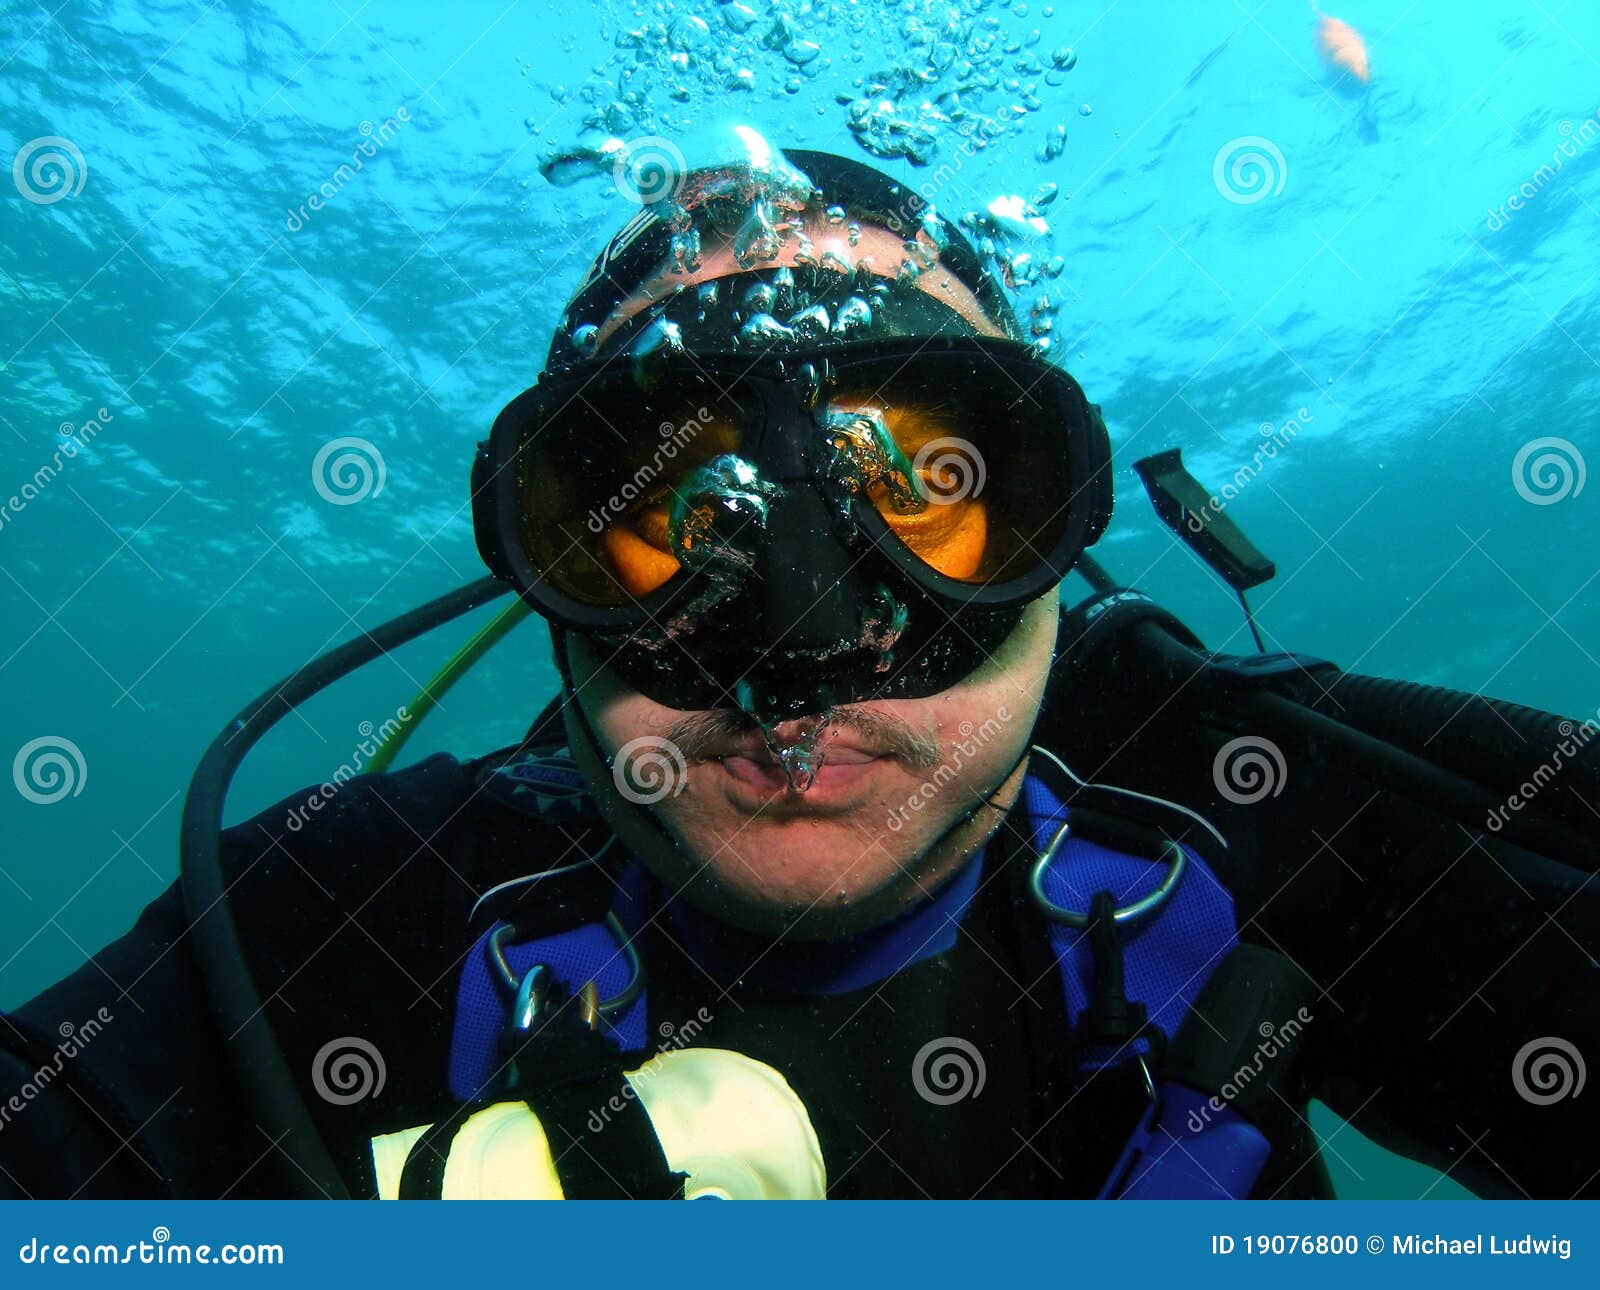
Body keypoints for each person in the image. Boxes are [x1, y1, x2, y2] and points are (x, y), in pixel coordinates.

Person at [2, 145, 1595, 1201]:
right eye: (675, 515)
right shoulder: (356, 910)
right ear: (552, 570)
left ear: (1053, 531)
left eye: (929, 489)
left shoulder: (1249, 803)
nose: (804, 639)